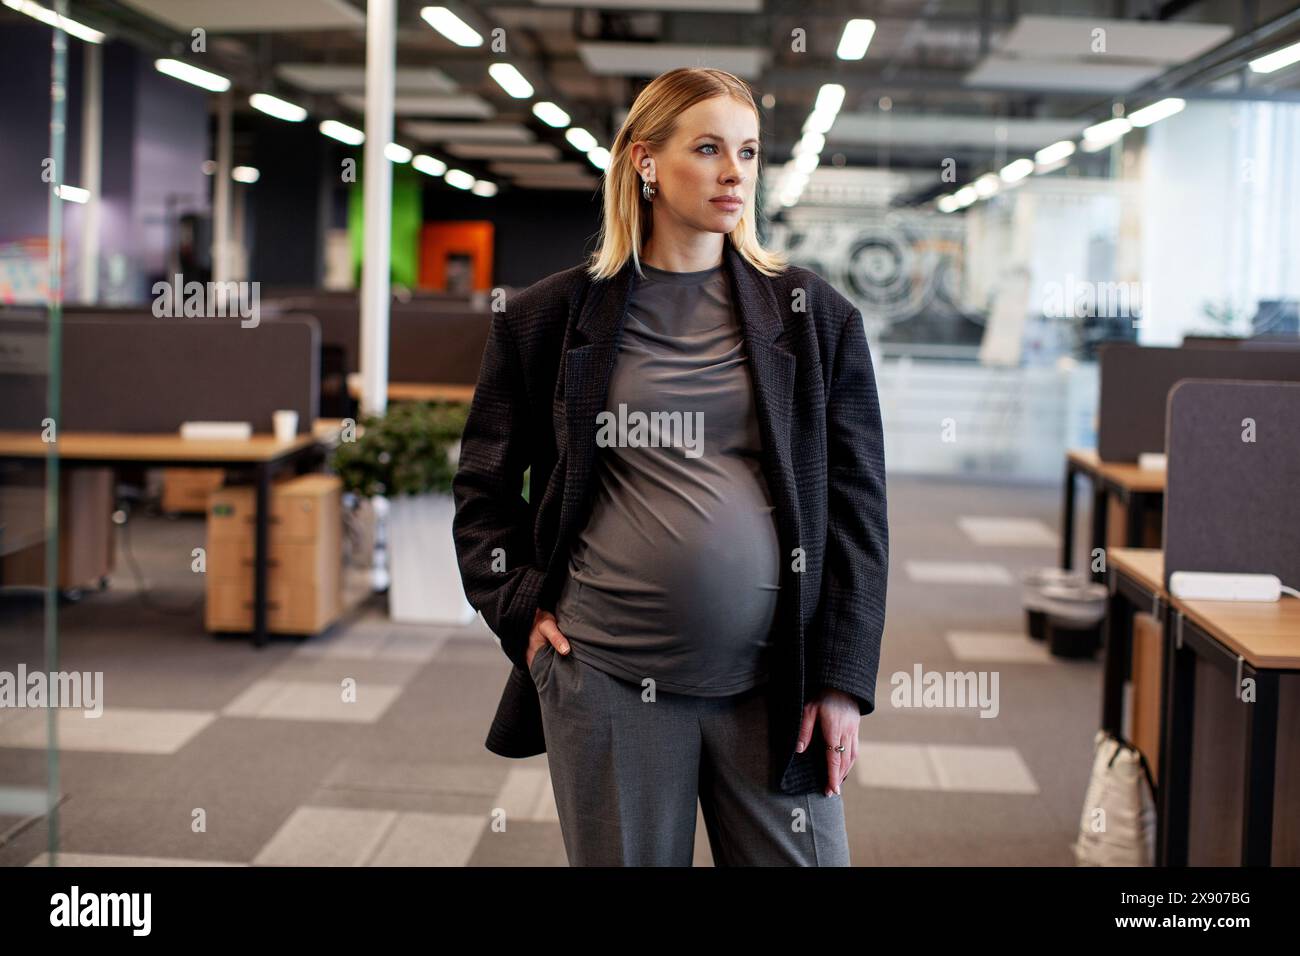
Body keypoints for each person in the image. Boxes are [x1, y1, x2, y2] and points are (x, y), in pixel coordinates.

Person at [452, 67, 888, 866]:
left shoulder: (812, 315)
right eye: (710, 148)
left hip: (773, 683)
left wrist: (841, 678)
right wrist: (518, 606)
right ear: (646, 162)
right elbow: (483, 487)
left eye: (750, 152)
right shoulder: (550, 317)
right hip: (609, 678)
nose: (736, 173)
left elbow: (859, 510)